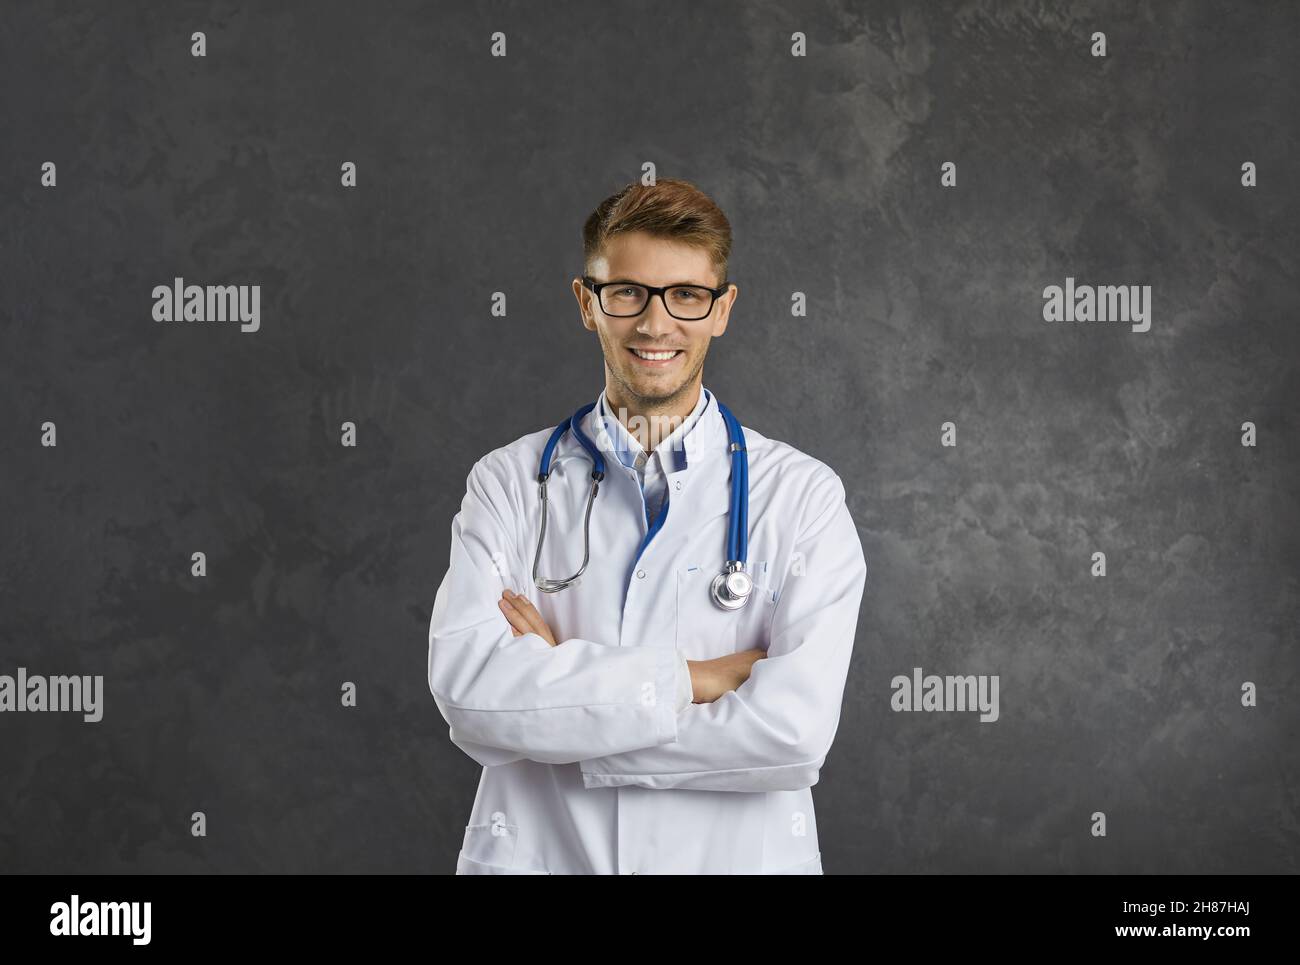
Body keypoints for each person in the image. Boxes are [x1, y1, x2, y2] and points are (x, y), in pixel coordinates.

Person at [427, 177, 868, 874]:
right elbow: (470, 694)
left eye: (686, 295)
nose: (656, 325)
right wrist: (698, 678)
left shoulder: (804, 498)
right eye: (627, 291)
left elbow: (793, 736)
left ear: (722, 309)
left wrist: (559, 705)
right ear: (586, 303)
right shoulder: (510, 483)